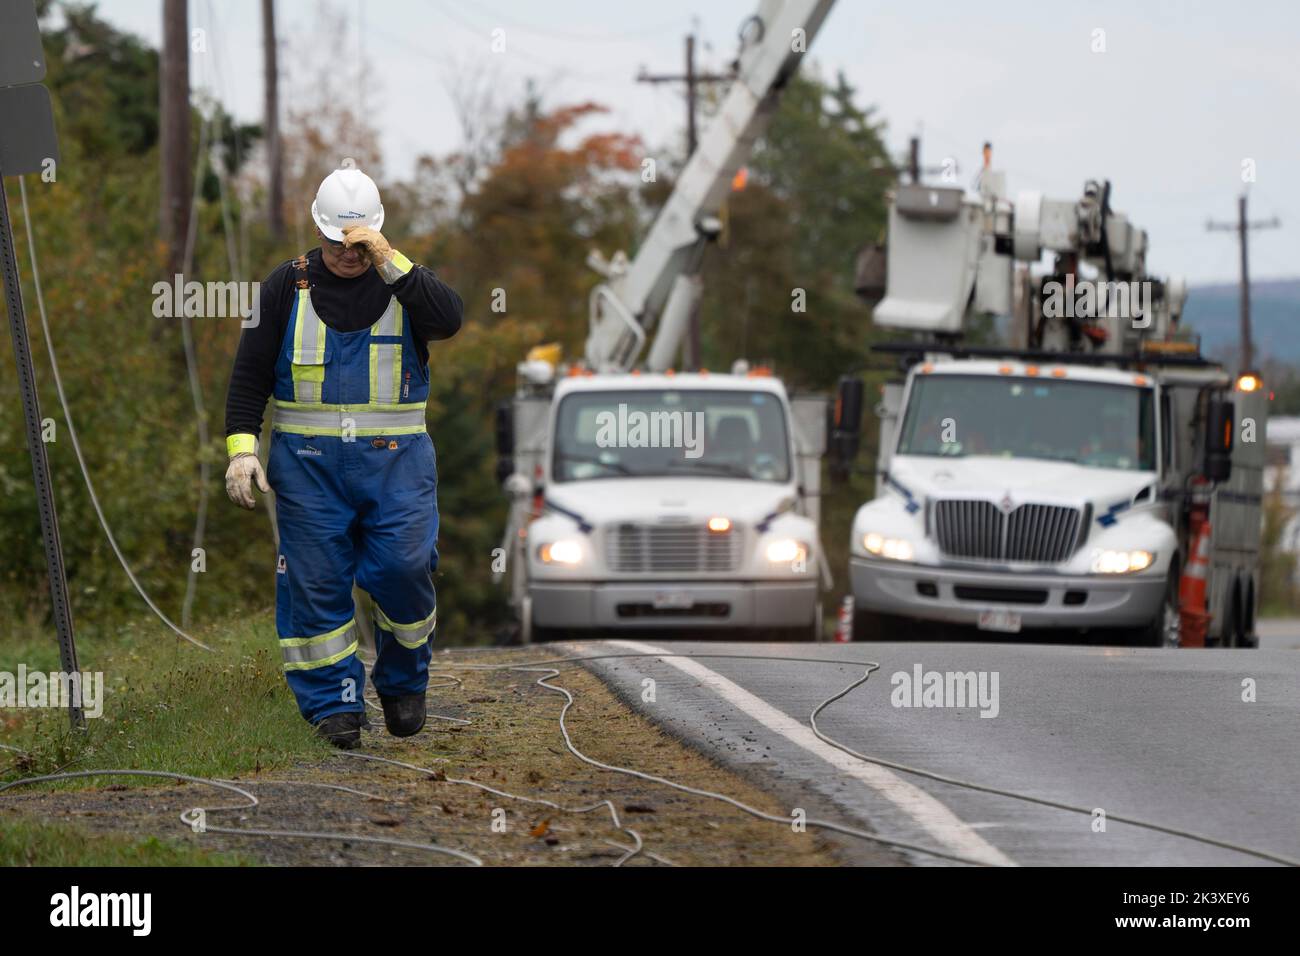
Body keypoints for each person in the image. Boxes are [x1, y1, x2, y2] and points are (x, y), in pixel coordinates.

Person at [223, 165, 463, 748]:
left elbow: (449, 319)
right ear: (320, 233)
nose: (348, 255)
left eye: (358, 244)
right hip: (308, 472)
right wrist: (241, 450)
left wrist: (391, 259)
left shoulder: (403, 284)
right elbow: (250, 373)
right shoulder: (285, 286)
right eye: (338, 243)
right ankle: (335, 705)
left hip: (398, 468)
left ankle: (405, 683)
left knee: (404, 571)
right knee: (316, 584)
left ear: (375, 235)